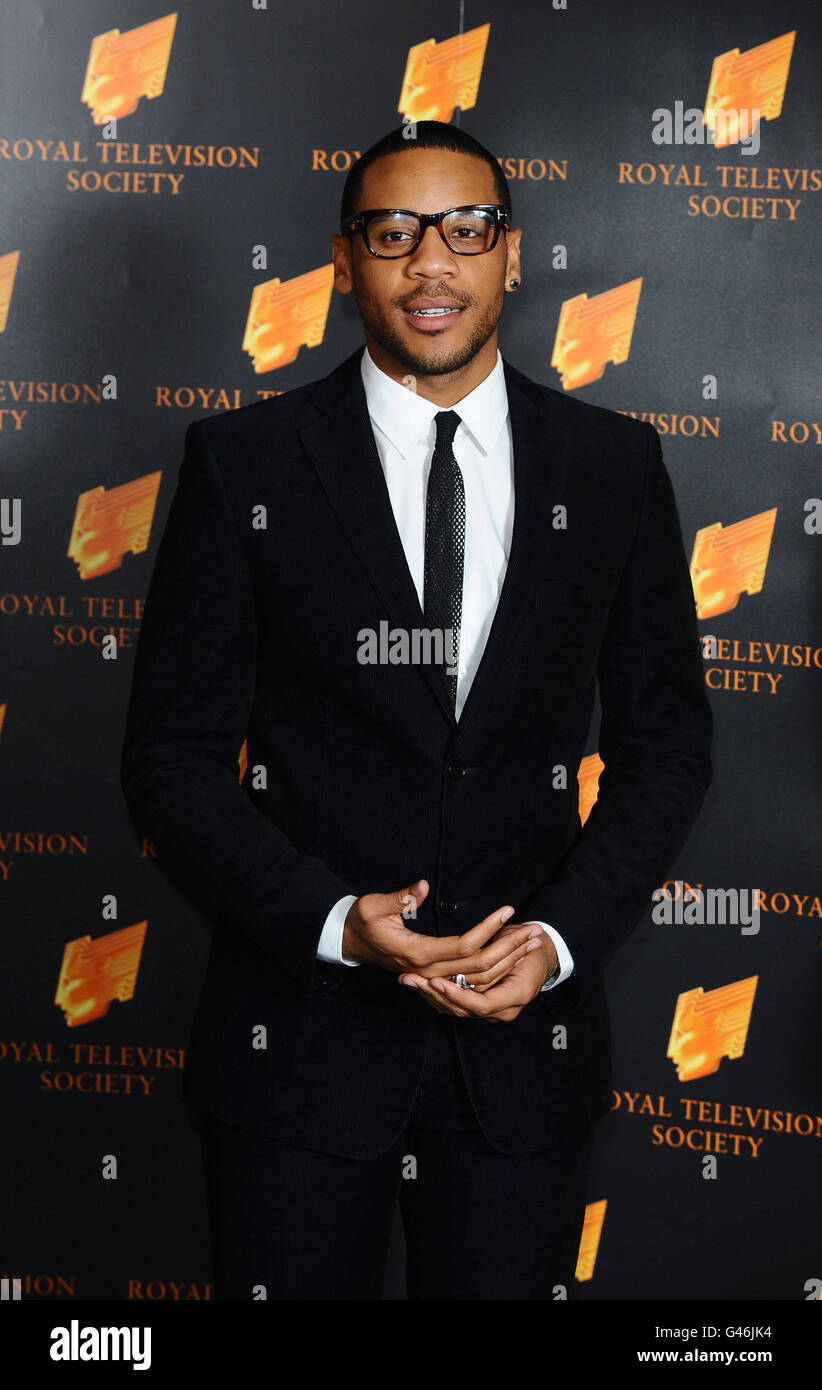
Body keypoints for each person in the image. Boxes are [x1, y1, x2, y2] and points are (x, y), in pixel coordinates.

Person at [120, 120, 713, 1300]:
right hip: (296, 1052)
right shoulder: (244, 465)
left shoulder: (611, 468)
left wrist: (552, 943)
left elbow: (665, 749)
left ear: (513, 255)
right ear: (345, 260)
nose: (430, 262)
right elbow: (172, 760)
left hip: (521, 1063)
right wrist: (333, 920)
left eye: (466, 230)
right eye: (393, 233)